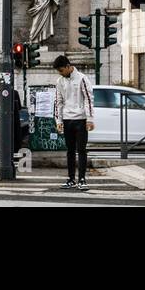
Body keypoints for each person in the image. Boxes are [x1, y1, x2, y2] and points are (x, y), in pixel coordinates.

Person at [52, 54, 94, 189]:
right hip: (67, 119)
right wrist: (58, 120)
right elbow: (58, 102)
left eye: (61, 70)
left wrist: (90, 119)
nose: (60, 73)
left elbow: (89, 99)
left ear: (68, 67)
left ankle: (82, 179)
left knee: (81, 150)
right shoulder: (60, 81)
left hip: (81, 120)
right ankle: (71, 179)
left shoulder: (82, 78)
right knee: (70, 150)